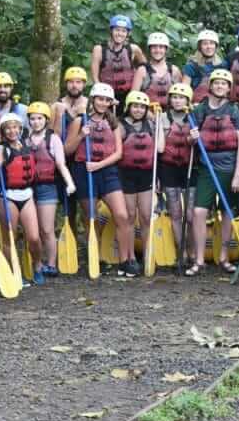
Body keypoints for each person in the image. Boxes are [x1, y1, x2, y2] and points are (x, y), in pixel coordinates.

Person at [65, 83, 138, 276]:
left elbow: (118, 153)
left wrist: (99, 165)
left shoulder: (114, 123)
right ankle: (95, 258)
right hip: (84, 171)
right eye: (100, 99)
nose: (103, 103)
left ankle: (125, 261)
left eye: (107, 100)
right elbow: (67, 150)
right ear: (93, 100)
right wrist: (81, 135)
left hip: (107, 170)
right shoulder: (79, 121)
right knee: (91, 218)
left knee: (122, 215)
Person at [187, 69, 239, 276]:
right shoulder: (200, 109)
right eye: (217, 83)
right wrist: (192, 138)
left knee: (227, 214)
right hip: (206, 167)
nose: (220, 86)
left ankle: (223, 257)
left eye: (224, 84)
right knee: (198, 212)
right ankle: (200, 260)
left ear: (229, 88)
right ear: (210, 86)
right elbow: (190, 140)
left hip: (229, 168)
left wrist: (238, 174)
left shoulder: (235, 110)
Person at [0, 113, 45, 285]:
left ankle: (37, 265)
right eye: (7, 128)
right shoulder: (2, 149)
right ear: (3, 131)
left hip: (27, 194)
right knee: (10, 238)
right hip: (8, 196)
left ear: (20, 128)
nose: (11, 131)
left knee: (34, 238)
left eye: (15, 127)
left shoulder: (27, 144)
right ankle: (14, 272)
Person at [27, 102, 76, 277]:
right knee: (34, 231)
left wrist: (70, 183)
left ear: (46, 120)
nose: (36, 122)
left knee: (46, 229)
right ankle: (36, 262)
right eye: (32, 119)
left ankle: (51, 263)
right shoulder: (24, 139)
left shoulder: (53, 139)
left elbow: (61, 164)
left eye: (39, 118)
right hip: (27, 189)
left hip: (48, 188)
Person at [118, 91, 164, 264]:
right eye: (135, 106)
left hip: (146, 175)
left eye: (142, 107)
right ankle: (130, 256)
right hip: (126, 175)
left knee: (145, 216)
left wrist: (158, 123)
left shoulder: (152, 125)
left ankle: (147, 255)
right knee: (129, 216)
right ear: (129, 107)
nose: (138, 110)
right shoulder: (121, 126)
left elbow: (159, 149)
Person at [157, 83, 195, 263]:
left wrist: (194, 138)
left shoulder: (194, 117)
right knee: (175, 213)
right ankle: (182, 252)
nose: (178, 100)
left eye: (181, 97)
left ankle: (192, 249)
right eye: (175, 97)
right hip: (169, 168)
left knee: (190, 214)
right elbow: (159, 148)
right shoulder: (162, 117)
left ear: (187, 100)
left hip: (189, 168)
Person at [52, 66, 89, 236]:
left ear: (83, 84)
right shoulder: (57, 106)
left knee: (87, 205)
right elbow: (54, 136)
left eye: (79, 82)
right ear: (66, 84)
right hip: (64, 161)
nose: (75, 85)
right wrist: (61, 115)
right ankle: (72, 241)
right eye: (72, 82)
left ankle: (91, 242)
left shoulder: (89, 102)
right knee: (69, 207)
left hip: (84, 159)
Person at [91, 14, 146, 104]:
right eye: (117, 30)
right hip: (106, 95)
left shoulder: (133, 49)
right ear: (111, 31)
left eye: (123, 31)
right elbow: (95, 77)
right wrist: (103, 95)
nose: (120, 34)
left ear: (127, 33)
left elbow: (146, 69)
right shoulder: (99, 49)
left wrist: (136, 91)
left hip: (129, 94)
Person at [131, 32, 182, 108]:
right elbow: (133, 97)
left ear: (166, 49)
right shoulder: (142, 71)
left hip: (169, 113)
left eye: (161, 47)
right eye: (154, 47)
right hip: (146, 112)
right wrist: (147, 114)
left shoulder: (174, 70)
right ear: (150, 49)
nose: (157, 50)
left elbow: (182, 97)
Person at [183, 29, 225, 103]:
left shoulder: (223, 65)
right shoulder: (191, 66)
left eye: (212, 43)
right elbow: (184, 90)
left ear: (216, 46)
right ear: (200, 47)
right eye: (205, 44)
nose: (209, 47)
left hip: (219, 106)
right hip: (196, 105)